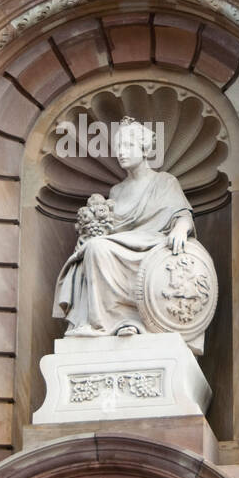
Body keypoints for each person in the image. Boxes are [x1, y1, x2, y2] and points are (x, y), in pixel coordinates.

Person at [52, 117, 195, 337]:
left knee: (99, 248)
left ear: (144, 149)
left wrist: (180, 229)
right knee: (94, 248)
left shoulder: (164, 181)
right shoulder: (117, 191)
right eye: (118, 147)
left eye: (128, 146)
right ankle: (105, 323)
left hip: (154, 245)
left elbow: (182, 214)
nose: (121, 152)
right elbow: (111, 229)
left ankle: (117, 322)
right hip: (120, 246)